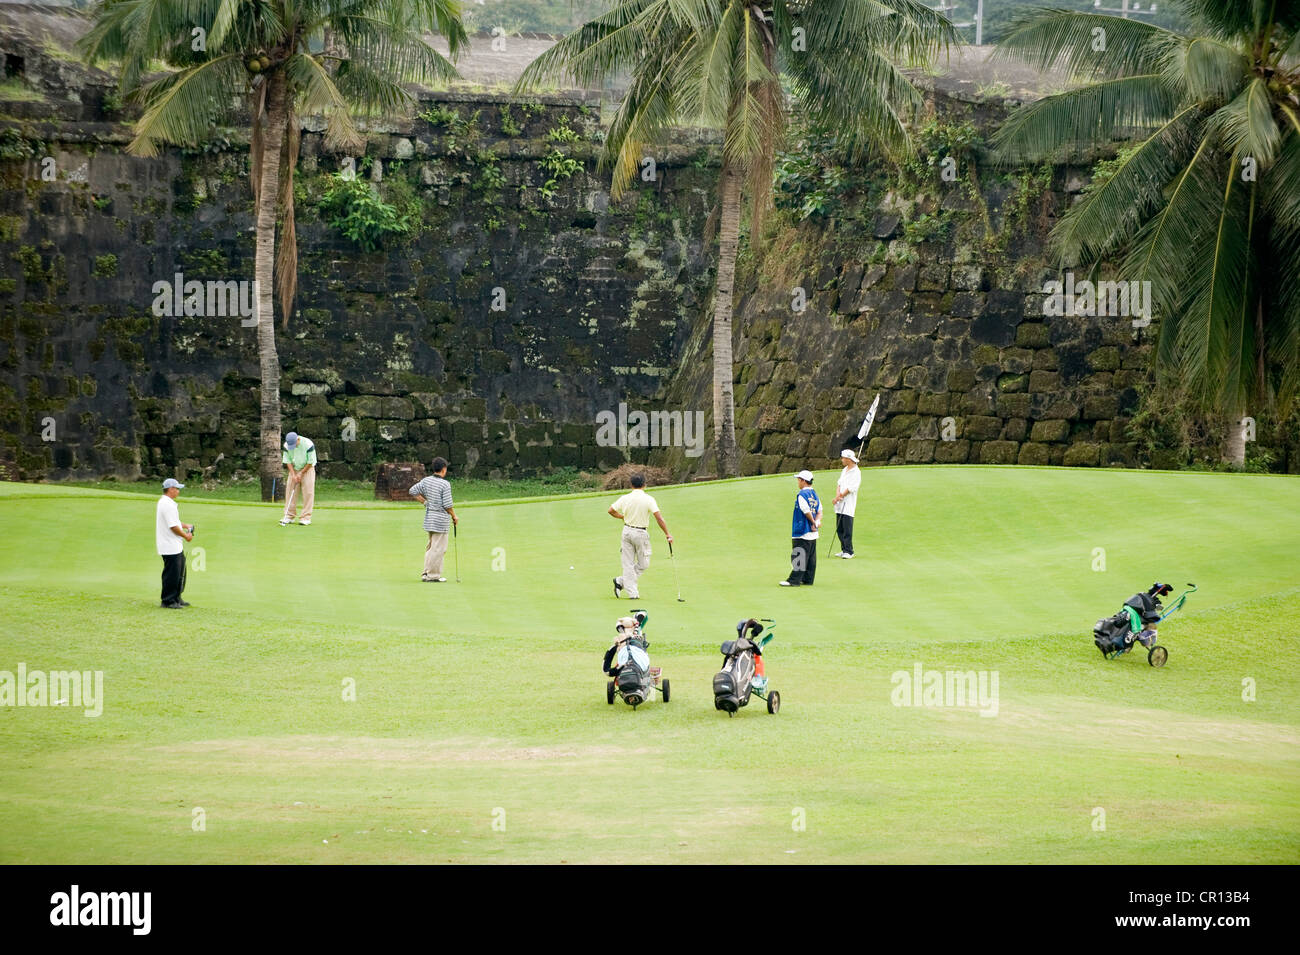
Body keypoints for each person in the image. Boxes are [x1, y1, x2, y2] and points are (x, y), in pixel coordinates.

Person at [608, 473, 672, 599]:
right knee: (640, 564)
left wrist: (622, 517)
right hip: (640, 533)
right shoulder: (649, 499)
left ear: (631, 485)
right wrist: (667, 534)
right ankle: (633, 594)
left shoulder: (625, 497)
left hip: (626, 531)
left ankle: (621, 581)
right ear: (644, 484)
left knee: (633, 564)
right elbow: (659, 518)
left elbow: (611, 510)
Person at [409, 457, 457, 582]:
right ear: (444, 469)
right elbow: (447, 505)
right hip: (440, 521)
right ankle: (433, 575)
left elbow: (412, 491)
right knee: (438, 548)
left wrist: (425, 502)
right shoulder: (445, 484)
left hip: (430, 518)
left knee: (431, 547)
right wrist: (454, 516)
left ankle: (426, 573)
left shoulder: (426, 481)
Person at [156, 477, 194, 609]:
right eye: (177, 489)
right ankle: (168, 600)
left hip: (174, 545)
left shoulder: (168, 503)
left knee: (180, 571)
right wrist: (186, 536)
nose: (178, 491)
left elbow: (175, 522)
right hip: (169, 545)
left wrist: (185, 525)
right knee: (172, 574)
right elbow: (173, 526)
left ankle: (177, 597)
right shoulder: (166, 504)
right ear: (170, 489)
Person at [781, 470, 821, 587]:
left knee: (798, 553)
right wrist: (817, 522)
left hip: (802, 530)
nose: (798, 482)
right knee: (810, 557)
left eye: (799, 480)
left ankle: (794, 580)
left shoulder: (802, 495)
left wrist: (813, 522)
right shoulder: (814, 494)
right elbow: (820, 511)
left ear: (803, 481)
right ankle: (808, 579)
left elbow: (806, 511)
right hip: (813, 533)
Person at [279, 432, 317, 526]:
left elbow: (310, 462)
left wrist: (301, 473)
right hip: (294, 468)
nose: (292, 447)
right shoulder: (286, 446)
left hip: (308, 469)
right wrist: (293, 474)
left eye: (294, 444)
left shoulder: (308, 444)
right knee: (290, 491)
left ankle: (306, 517)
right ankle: (289, 516)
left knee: (308, 492)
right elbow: (287, 461)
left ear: (298, 440)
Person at [830, 449, 861, 559]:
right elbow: (839, 483)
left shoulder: (856, 472)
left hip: (848, 504)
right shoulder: (844, 470)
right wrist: (838, 495)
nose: (842, 460)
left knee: (847, 528)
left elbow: (851, 488)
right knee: (840, 528)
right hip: (840, 504)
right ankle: (843, 549)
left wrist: (839, 496)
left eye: (843, 458)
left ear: (848, 459)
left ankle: (849, 551)